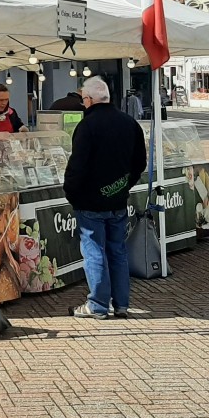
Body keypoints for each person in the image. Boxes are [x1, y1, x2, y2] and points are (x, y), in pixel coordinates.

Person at [62, 76, 147, 320]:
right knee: (117, 252)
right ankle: (121, 304)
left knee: (94, 252)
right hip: (118, 201)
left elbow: (77, 166)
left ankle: (98, 304)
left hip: (89, 203)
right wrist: (123, 185)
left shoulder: (87, 126)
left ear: (88, 100)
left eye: (83, 100)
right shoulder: (130, 123)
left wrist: (72, 193)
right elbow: (139, 163)